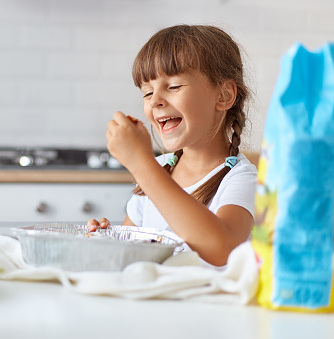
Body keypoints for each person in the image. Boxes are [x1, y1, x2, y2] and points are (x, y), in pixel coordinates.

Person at [87, 24, 257, 267]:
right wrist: (105, 243)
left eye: (174, 86)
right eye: (147, 93)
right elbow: (128, 258)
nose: (155, 100)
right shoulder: (158, 169)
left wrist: (142, 165)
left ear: (224, 96)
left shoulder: (241, 179)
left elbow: (224, 250)